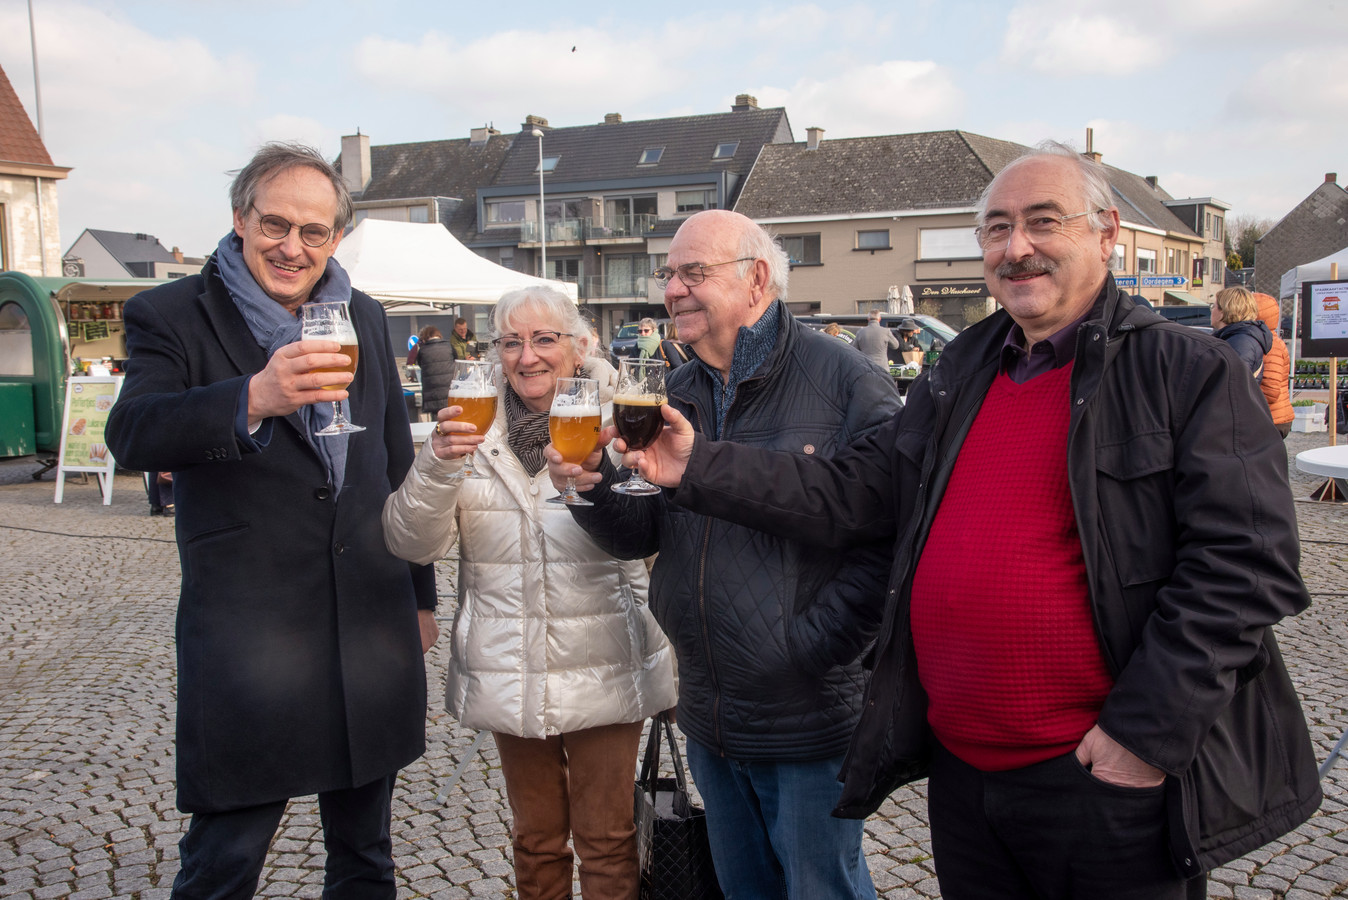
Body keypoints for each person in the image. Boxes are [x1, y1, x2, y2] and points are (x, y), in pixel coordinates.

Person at [611, 144, 1321, 900]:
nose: (1017, 248)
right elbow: (853, 493)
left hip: (1099, 779)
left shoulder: (1188, 373)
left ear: (1107, 233)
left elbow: (1244, 569)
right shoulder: (959, 376)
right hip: (965, 776)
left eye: (1043, 223)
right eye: (996, 229)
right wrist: (697, 469)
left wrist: (1141, 740)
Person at [106, 142, 438, 899]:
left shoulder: (361, 314)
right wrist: (252, 397)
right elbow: (133, 433)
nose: (293, 247)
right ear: (240, 219)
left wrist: (419, 592)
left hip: (366, 619)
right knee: (226, 859)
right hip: (252, 635)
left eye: (313, 232)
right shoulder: (171, 312)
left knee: (366, 854)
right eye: (275, 224)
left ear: (336, 238)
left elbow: (391, 465)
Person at [547, 209, 901, 900]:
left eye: (694, 272)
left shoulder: (846, 381)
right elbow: (644, 533)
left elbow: (886, 529)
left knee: (820, 888)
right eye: (669, 273)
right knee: (743, 890)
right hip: (708, 706)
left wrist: (814, 646)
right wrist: (591, 492)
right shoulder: (669, 392)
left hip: (807, 711)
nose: (673, 288)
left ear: (756, 280)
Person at [383, 286, 677, 900]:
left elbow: (657, 540)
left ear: (578, 347)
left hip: (604, 659)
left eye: (544, 339)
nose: (527, 356)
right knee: (536, 841)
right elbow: (411, 542)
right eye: (511, 342)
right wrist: (436, 465)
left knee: (607, 839)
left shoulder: (621, 422)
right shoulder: (470, 427)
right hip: (510, 662)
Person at [1211, 286, 1273, 381]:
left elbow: (1233, 384)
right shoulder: (1237, 337)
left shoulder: (1240, 342)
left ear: (1223, 311)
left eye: (1214, 306)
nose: (1212, 310)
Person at [1255, 291, 1294, 438]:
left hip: (1273, 417)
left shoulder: (1271, 345)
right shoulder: (1266, 341)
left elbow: (1271, 390)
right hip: (1272, 416)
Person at [415, 325, 456, 418]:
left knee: (436, 422)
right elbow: (456, 361)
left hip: (432, 393)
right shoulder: (449, 346)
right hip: (448, 391)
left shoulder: (423, 350)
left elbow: (420, 365)